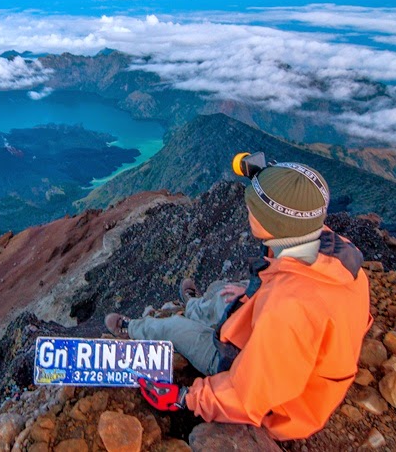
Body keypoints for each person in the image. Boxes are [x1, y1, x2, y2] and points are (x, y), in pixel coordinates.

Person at [105, 161, 373, 441]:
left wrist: (185, 397)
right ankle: (195, 306)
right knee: (224, 291)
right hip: (282, 349)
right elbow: (297, 285)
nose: (247, 213)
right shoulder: (334, 250)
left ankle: (131, 328)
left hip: (274, 392)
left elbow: (249, 395)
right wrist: (253, 292)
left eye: (252, 209)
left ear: (273, 223)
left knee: (172, 327)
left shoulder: (286, 311)